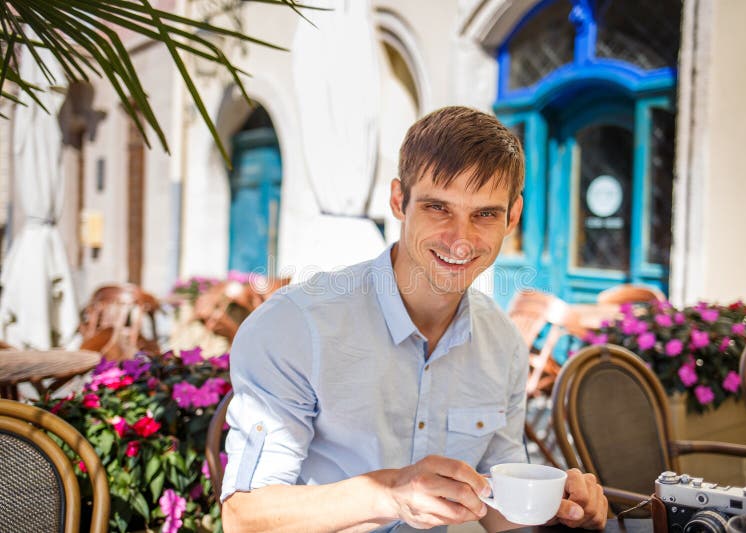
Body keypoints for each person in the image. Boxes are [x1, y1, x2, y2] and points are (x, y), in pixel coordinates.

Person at [221, 106, 608, 532]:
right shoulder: (295, 325)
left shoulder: (505, 345)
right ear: (398, 201)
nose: (461, 241)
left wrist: (561, 512)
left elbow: (501, 511)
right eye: (438, 207)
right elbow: (243, 517)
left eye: (485, 214)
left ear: (512, 217)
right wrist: (387, 493)